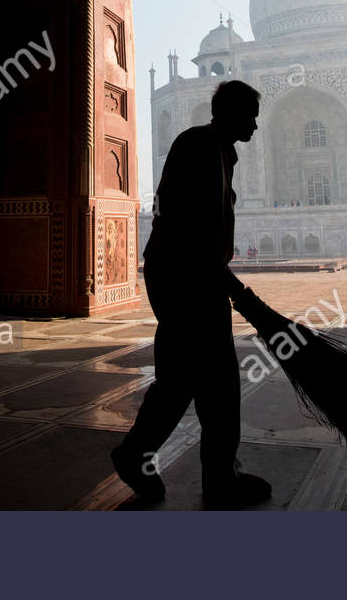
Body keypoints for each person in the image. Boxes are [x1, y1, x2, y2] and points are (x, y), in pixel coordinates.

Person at [110, 80, 272, 509]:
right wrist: (233, 287)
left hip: (190, 276)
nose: (257, 124)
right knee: (216, 381)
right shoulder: (200, 146)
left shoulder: (216, 148)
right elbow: (190, 229)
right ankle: (218, 480)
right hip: (187, 279)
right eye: (251, 115)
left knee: (183, 379)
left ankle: (141, 455)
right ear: (231, 113)